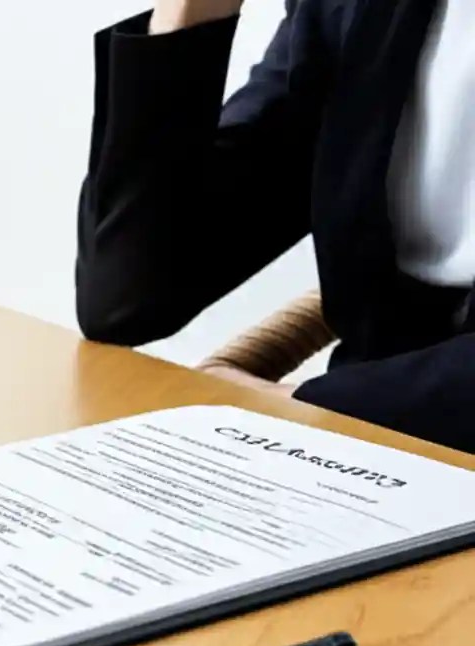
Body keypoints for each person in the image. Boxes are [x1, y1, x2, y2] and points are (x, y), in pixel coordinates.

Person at [76, 0, 475, 453]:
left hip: (380, 430)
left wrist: (313, 408)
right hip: (364, 459)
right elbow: (129, 296)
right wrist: (187, 14)